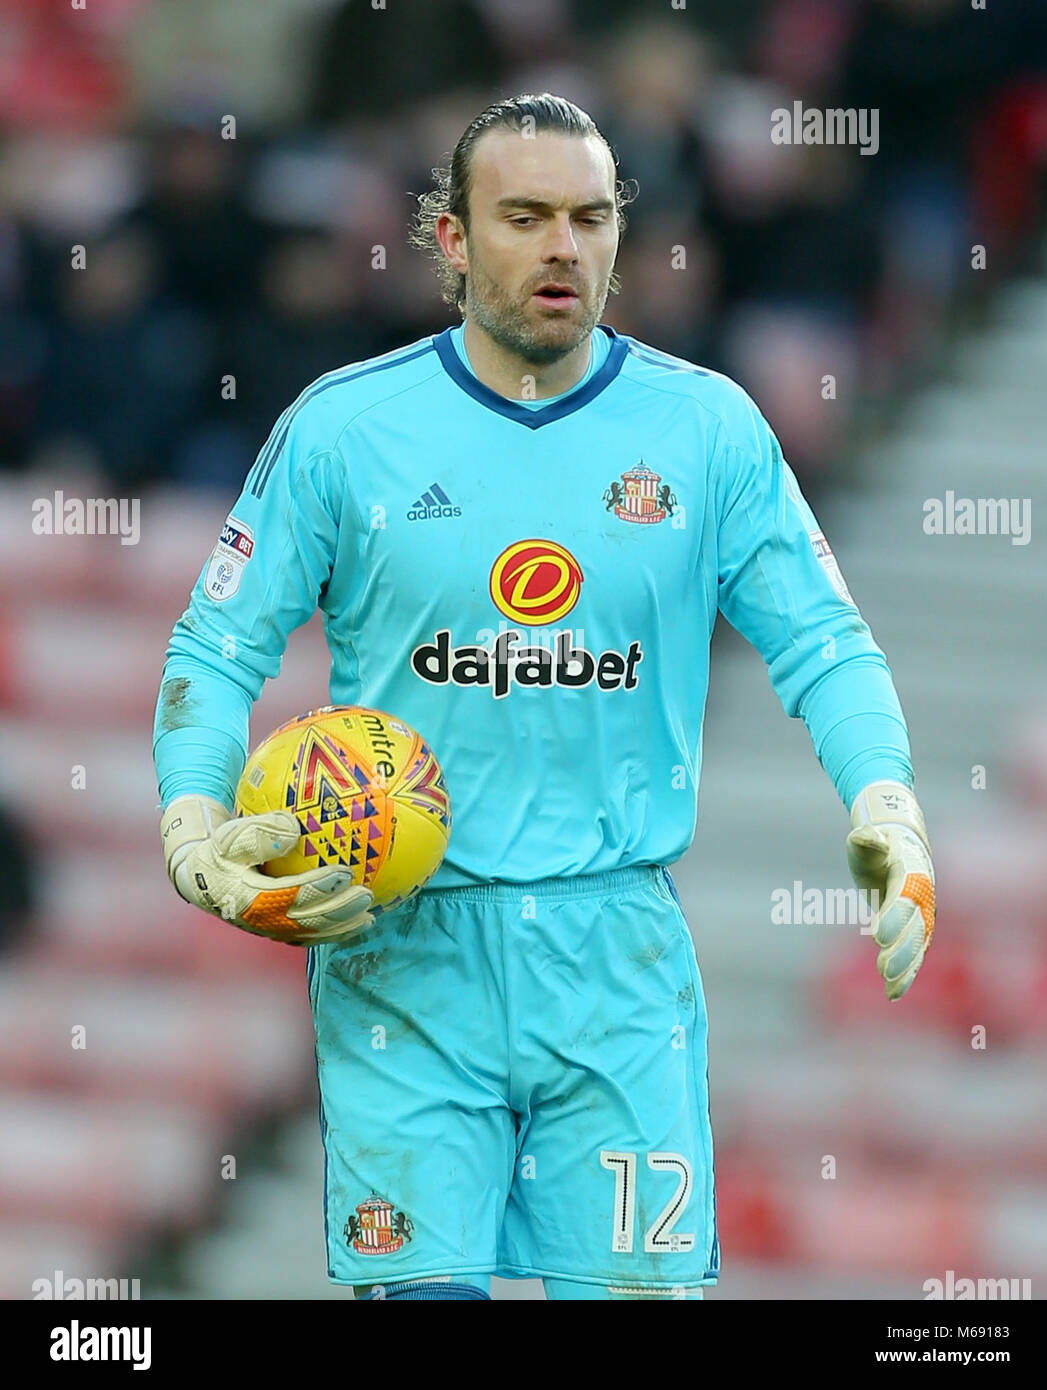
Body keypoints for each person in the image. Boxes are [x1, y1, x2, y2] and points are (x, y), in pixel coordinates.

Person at [153, 94, 935, 1301]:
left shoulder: (705, 429)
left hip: (614, 957)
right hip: (401, 954)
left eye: (589, 217)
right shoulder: (346, 430)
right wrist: (192, 822)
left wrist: (886, 798)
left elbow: (824, 640)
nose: (562, 245)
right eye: (522, 216)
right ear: (452, 239)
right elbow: (215, 650)